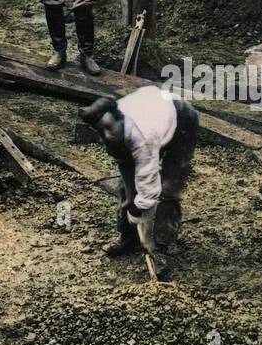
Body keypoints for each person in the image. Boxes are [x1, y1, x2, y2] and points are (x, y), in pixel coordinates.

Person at [79, 86, 200, 277]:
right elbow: (125, 167)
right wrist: (131, 203)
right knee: (126, 191)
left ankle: (159, 248)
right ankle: (128, 237)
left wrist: (145, 230)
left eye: (110, 129)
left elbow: (148, 185)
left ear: (121, 120)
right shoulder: (110, 132)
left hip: (181, 118)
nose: (107, 135)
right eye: (102, 131)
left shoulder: (143, 136)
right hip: (154, 111)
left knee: (168, 188)